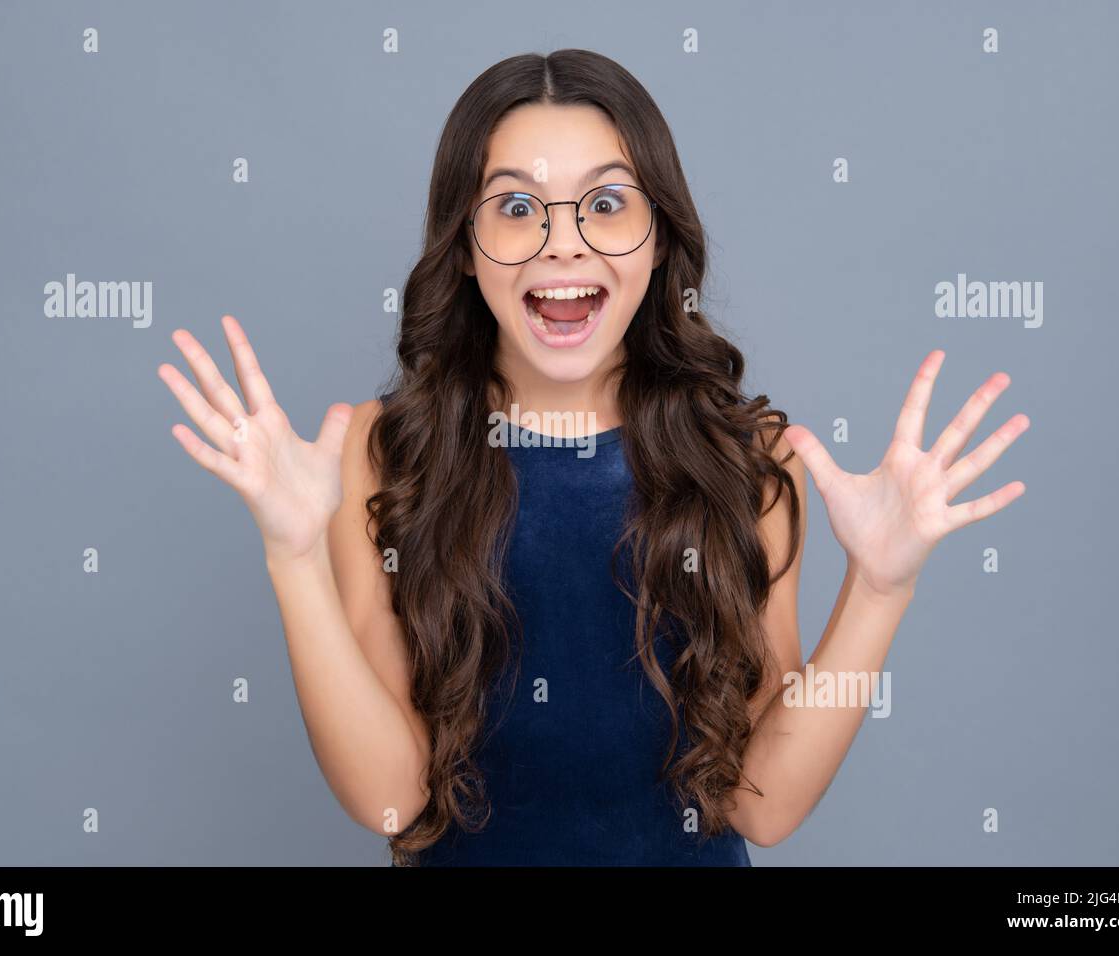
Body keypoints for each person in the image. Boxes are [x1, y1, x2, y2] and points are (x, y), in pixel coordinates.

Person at [155, 49, 1029, 866]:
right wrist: (293, 557)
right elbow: (392, 801)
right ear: (464, 246)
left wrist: (880, 588)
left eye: (606, 204)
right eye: (517, 207)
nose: (563, 243)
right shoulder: (384, 458)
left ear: (658, 236)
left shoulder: (748, 460)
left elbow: (764, 806)